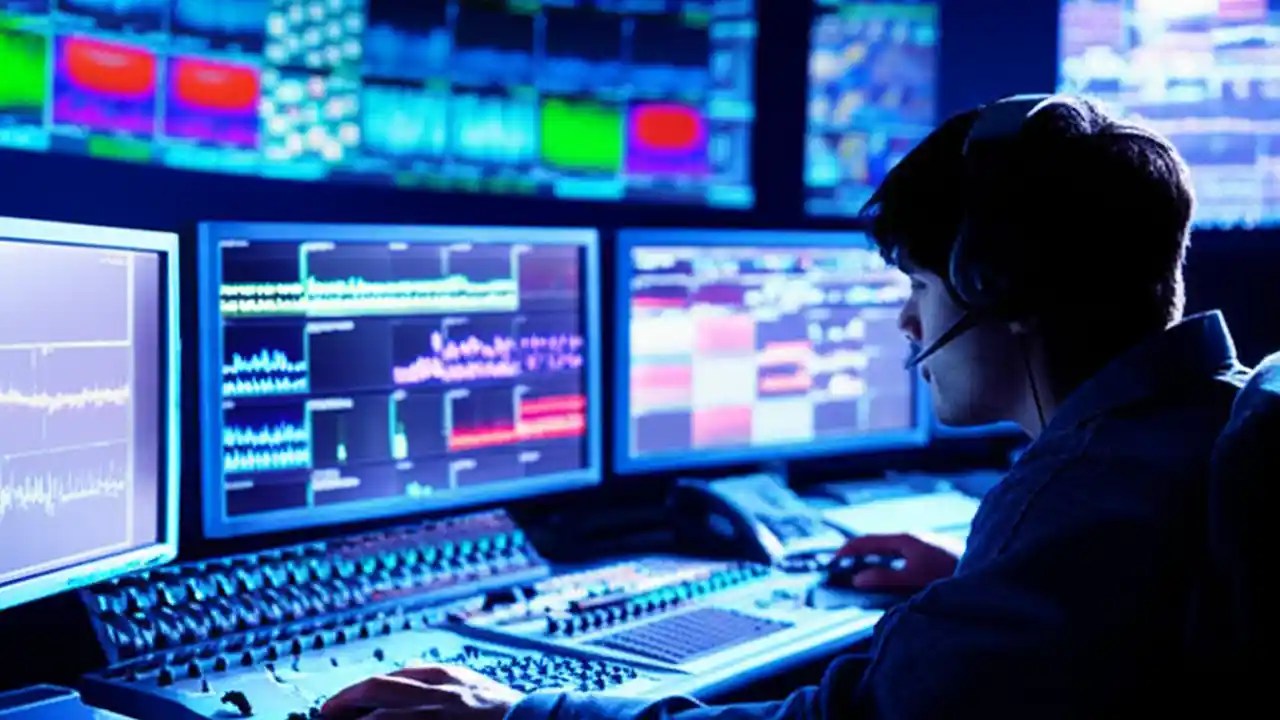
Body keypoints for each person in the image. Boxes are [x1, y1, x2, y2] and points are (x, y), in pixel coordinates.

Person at [319, 94, 1248, 719]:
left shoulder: (1082, 499)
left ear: (996, 289)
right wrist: (977, 583)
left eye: (919, 281)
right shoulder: (1191, 429)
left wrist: (522, 712)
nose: (904, 315)